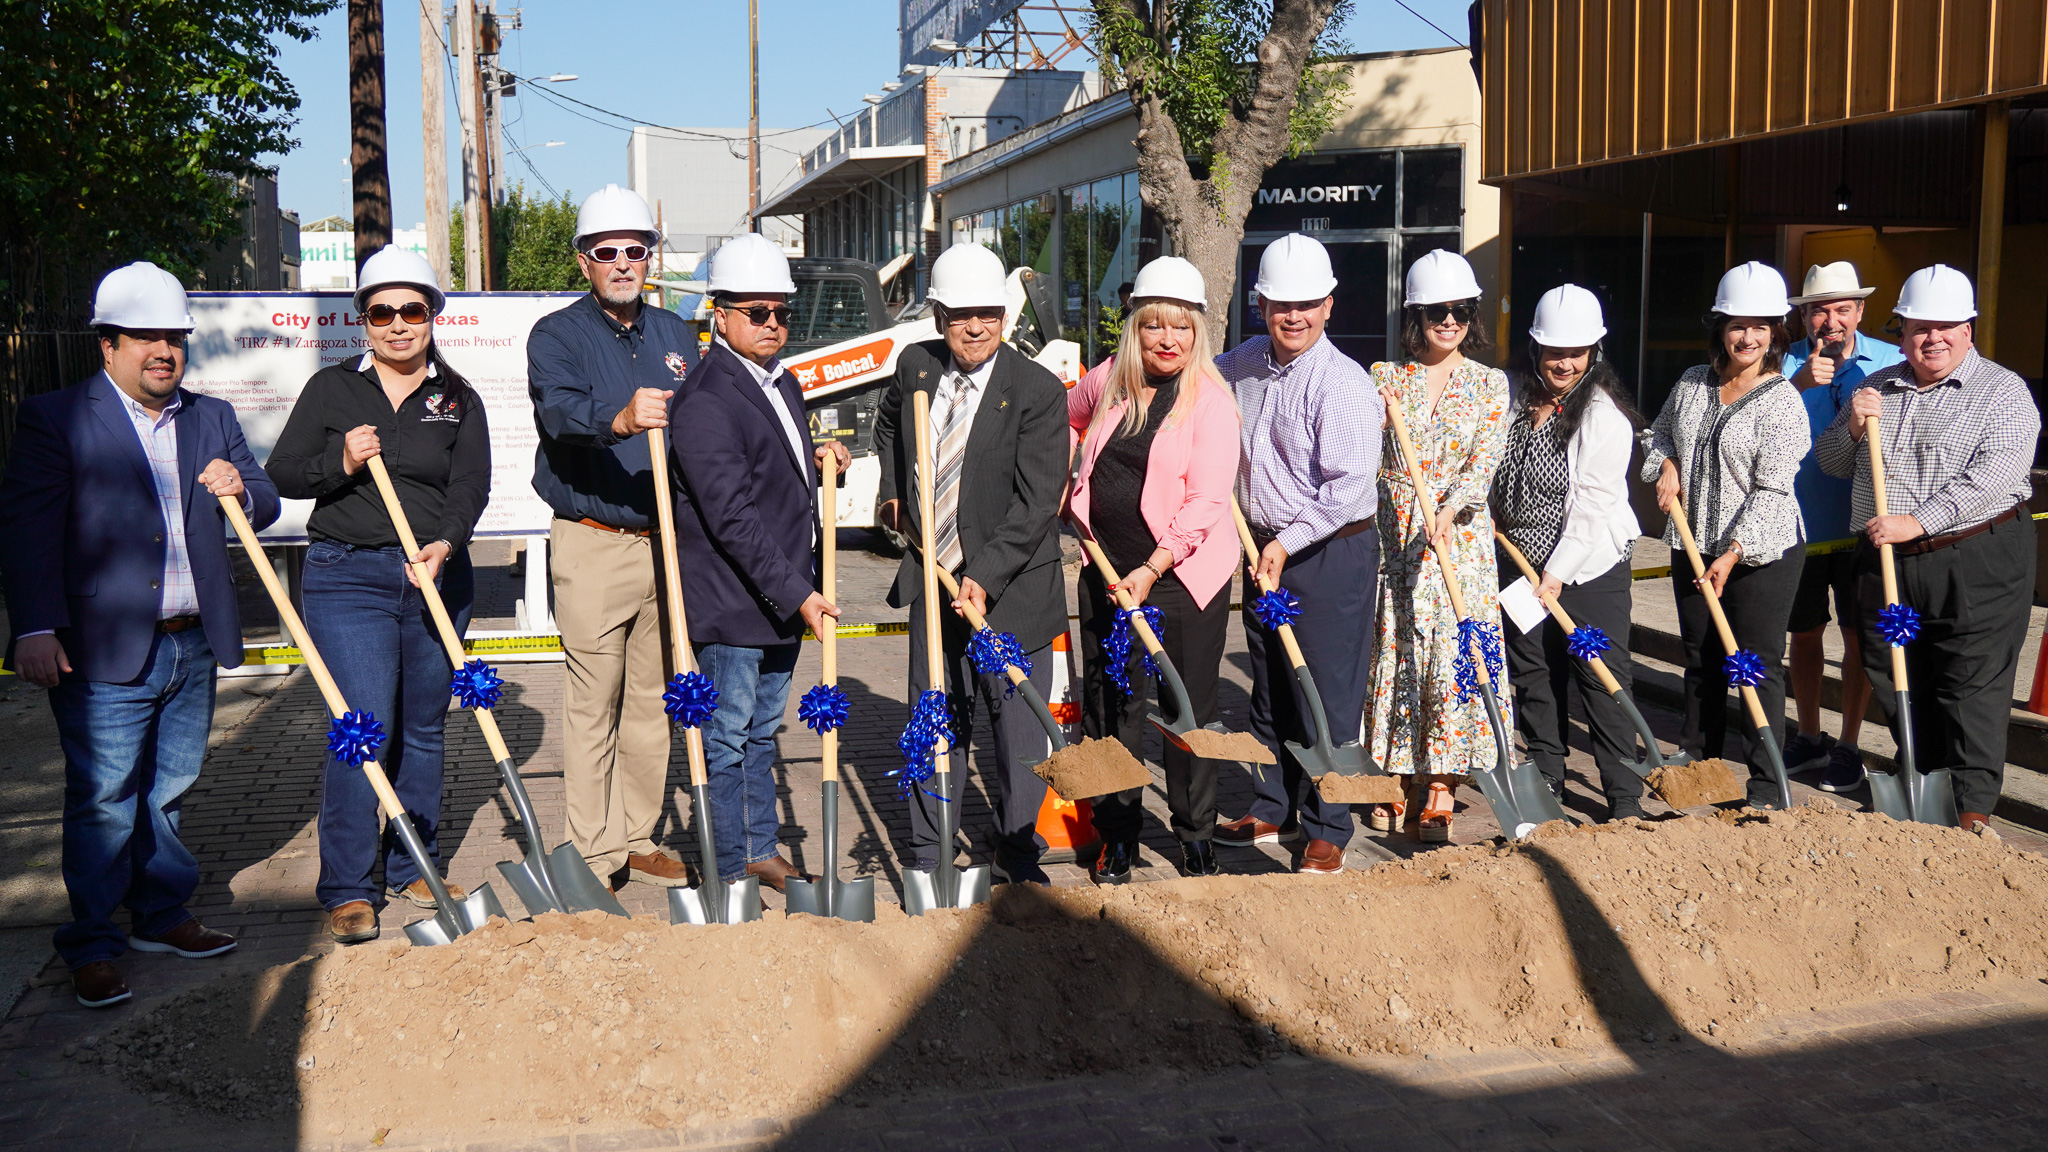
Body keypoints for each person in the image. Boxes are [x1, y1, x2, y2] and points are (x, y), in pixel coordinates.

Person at [0, 262, 280, 1006]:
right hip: (100, 646)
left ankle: (159, 915)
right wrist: (33, 626)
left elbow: (265, 499)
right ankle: (91, 943)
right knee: (103, 799)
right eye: (148, 337)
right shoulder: (55, 417)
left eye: (175, 338)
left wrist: (241, 489)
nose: (165, 350)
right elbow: (26, 533)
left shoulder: (209, 418)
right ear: (108, 345)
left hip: (192, 640)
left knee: (171, 790)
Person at [267, 246, 491, 943]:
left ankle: (411, 864)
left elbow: (469, 487)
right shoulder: (333, 391)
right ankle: (347, 885)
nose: (398, 325)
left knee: (424, 729)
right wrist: (339, 461)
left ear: (432, 316)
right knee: (363, 727)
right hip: (348, 575)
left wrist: (446, 543)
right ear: (362, 321)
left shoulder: (456, 398)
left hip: (434, 577)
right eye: (382, 312)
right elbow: (283, 473)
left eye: (412, 310)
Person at [1816, 265, 2037, 836]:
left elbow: (1996, 475)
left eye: (1945, 327)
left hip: (1977, 561)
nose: (1932, 338)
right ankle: (1922, 777)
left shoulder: (2003, 392)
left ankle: (1970, 810)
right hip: (1887, 566)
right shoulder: (1879, 387)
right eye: (1919, 327)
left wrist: (1917, 521)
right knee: (1894, 672)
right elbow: (1832, 463)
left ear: (1968, 329)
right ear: (1902, 330)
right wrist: (1855, 429)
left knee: (1971, 683)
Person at [871, 244, 1068, 886]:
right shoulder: (916, 367)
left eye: (988, 314)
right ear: (937, 316)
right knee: (936, 719)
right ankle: (930, 852)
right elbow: (888, 428)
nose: (975, 328)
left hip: (1010, 591)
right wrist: (892, 494)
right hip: (935, 581)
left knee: (1016, 736)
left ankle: (1016, 851)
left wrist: (981, 574)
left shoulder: (1035, 389)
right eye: (960, 316)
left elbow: (1038, 502)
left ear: (1005, 317)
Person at [527, 185, 701, 891]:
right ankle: (591, 851)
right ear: (584, 261)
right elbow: (560, 413)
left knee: (651, 700)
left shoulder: (675, 335)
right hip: (594, 538)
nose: (624, 262)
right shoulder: (557, 335)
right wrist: (621, 420)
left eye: (637, 249)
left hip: (664, 541)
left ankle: (637, 835)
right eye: (609, 252)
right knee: (592, 701)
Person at [666, 234, 850, 892]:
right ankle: (726, 869)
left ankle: (759, 848)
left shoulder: (782, 381)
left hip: (777, 595)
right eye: (756, 312)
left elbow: (776, 474)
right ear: (720, 316)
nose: (772, 324)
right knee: (726, 736)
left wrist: (821, 457)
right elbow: (731, 517)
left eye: (780, 312)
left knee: (762, 731)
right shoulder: (707, 401)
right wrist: (798, 593)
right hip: (733, 599)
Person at [1066, 257, 1242, 881]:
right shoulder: (1110, 378)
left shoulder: (1212, 403)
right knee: (1115, 705)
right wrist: (1073, 479)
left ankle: (1195, 834)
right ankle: (1119, 836)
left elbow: (1205, 504)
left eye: (1181, 329)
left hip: (1180, 578)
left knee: (1186, 706)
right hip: (1109, 574)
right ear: (1135, 327)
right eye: (1154, 327)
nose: (1168, 340)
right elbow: (1071, 413)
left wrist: (1151, 566)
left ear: (1198, 333)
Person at [1215, 233, 1382, 873]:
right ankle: (1273, 803)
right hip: (1267, 549)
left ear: (1329, 305)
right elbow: (1196, 378)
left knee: (1326, 694)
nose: (1293, 316)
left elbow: (1347, 488)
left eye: (1307, 304)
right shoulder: (1247, 362)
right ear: (1260, 304)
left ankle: (1329, 824)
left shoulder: (1342, 383)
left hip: (1327, 552)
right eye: (1281, 303)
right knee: (1272, 687)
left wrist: (1283, 544)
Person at [1641, 262, 1808, 809]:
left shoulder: (1783, 402)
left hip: (1760, 553)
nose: (1749, 337)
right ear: (1720, 328)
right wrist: (1665, 463)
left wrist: (1733, 554)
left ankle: (1766, 784)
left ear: (1777, 333)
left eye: (1761, 326)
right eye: (1738, 325)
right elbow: (1658, 432)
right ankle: (1700, 763)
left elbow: (1773, 490)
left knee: (1754, 665)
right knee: (1701, 658)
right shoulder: (1692, 382)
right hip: (1693, 542)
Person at [1366, 249, 1510, 842]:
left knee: (1452, 651)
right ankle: (1400, 771)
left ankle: (1445, 782)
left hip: (1460, 538)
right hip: (1396, 533)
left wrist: (1450, 508)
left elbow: (1485, 460)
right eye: (1435, 312)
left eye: (1458, 311)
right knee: (1399, 647)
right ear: (1416, 317)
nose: (1447, 322)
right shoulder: (1384, 378)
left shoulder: (1489, 383)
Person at [1490, 285, 1645, 821]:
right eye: (1554, 350)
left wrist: (1554, 576)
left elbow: (1592, 508)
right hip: (1518, 559)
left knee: (1598, 674)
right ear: (1534, 348)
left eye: (1575, 352)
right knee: (1532, 670)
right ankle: (1546, 776)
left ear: (1593, 352)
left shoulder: (1604, 418)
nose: (1563, 362)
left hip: (1587, 568)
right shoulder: (1512, 396)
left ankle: (1623, 796)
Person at [1780, 262, 1904, 793]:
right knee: (1804, 634)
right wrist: (1797, 382)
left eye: (1840, 308)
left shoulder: (1894, 361)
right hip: (1796, 524)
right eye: (1818, 309)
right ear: (1804, 315)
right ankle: (1809, 736)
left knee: (1860, 636)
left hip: (1864, 526)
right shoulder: (1779, 365)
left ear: (1859, 312)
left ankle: (1849, 746)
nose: (1829, 319)